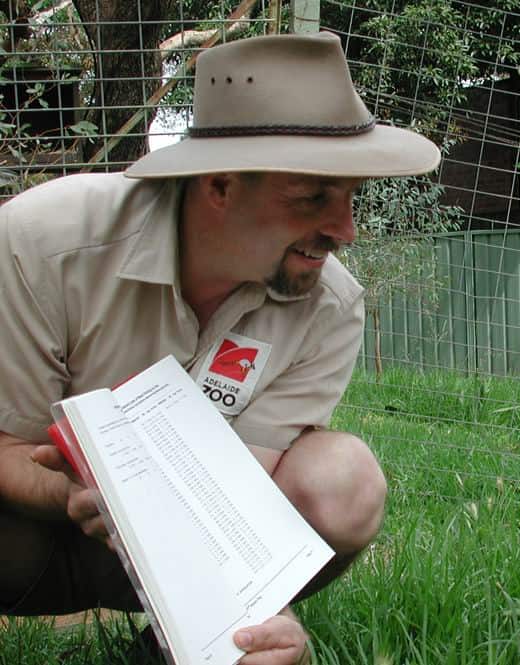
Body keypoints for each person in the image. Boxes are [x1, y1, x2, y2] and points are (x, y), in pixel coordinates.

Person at [0, 31, 440, 664]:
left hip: (178, 552)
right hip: (30, 537)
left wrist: (258, 623)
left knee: (345, 479)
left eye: (351, 197)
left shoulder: (330, 307)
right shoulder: (42, 242)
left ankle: (181, 645)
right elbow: (7, 448)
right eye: (313, 197)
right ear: (221, 186)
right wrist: (67, 495)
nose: (345, 230)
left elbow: (242, 501)